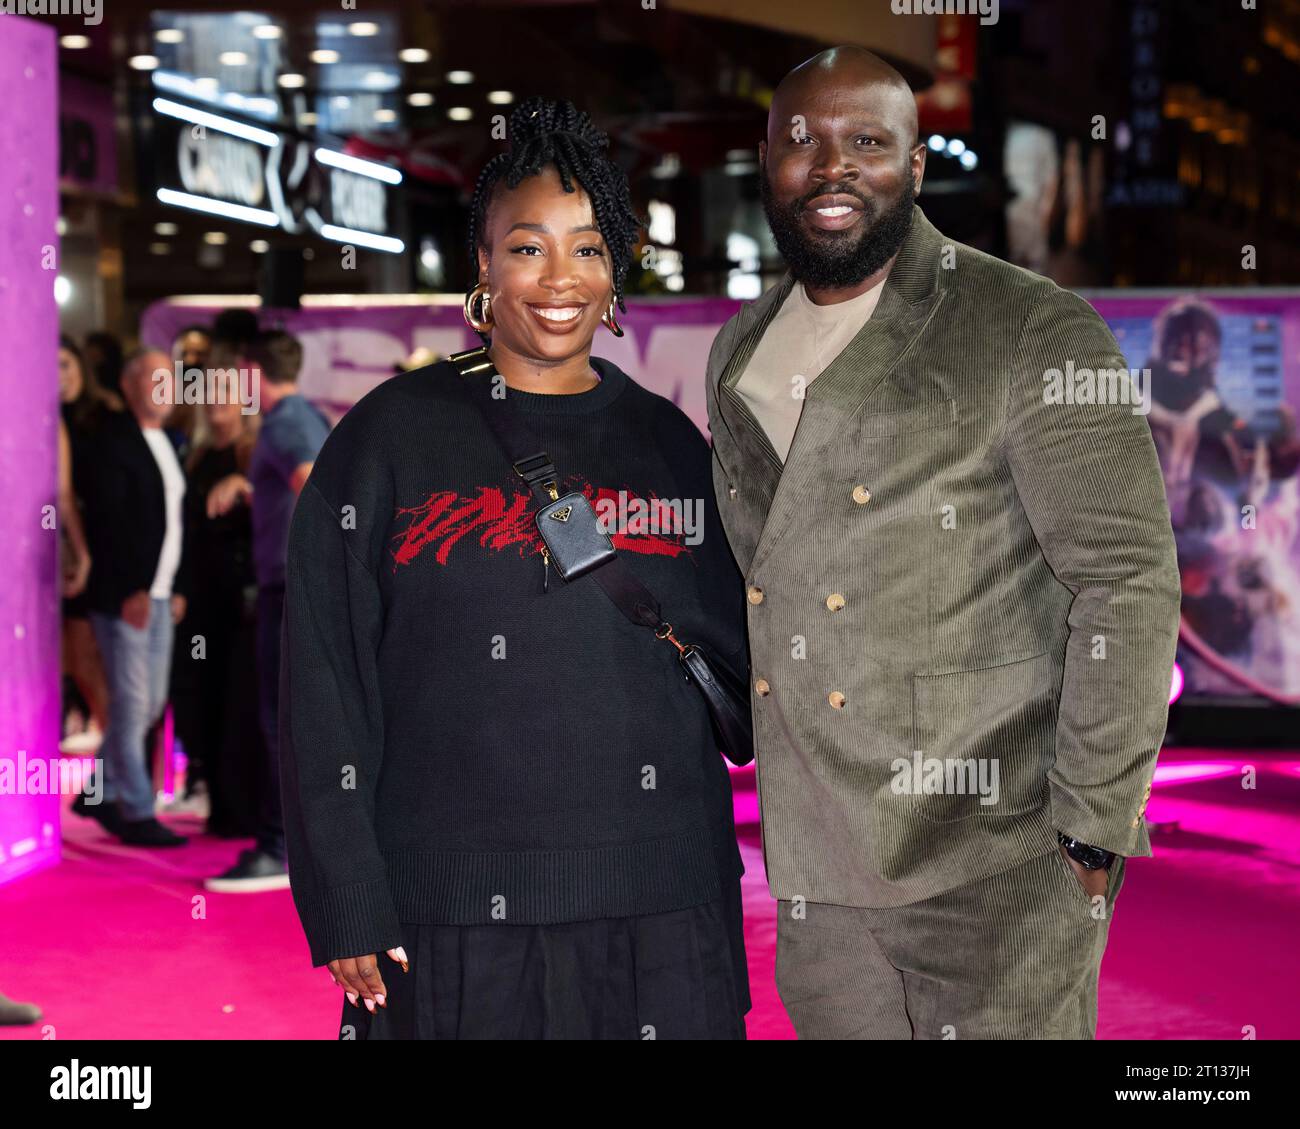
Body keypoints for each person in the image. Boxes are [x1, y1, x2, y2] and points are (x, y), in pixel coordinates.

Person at [704, 46, 1182, 1039]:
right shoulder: (740, 348)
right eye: (802, 141)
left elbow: (1124, 577)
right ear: (766, 159)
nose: (830, 168)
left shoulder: (1025, 325)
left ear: (915, 167)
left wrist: (1094, 822)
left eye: (867, 143)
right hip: (816, 873)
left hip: (995, 862)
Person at [280, 97, 750, 1039]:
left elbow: (744, 654)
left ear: (617, 270)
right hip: (450, 917)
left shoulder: (671, 444)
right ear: (483, 266)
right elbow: (322, 677)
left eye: (588, 247)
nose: (559, 277)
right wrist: (344, 896)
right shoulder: (386, 439)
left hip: (660, 908)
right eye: (528, 247)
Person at [205, 330, 327, 891]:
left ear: (252, 371)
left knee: (282, 724)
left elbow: (317, 489)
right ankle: (290, 844)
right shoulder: (303, 418)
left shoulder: (284, 424)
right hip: (294, 588)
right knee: (291, 722)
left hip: (289, 591)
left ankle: (280, 848)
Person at [71, 348, 192, 847]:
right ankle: (137, 810)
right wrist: (131, 589)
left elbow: (176, 524)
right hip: (129, 595)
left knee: (147, 704)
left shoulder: (171, 441)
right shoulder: (111, 444)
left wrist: (174, 587)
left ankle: (99, 790)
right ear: (128, 386)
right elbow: (108, 524)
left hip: (162, 594)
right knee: (133, 701)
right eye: (153, 378)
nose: (163, 388)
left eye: (169, 379)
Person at [166, 351, 262, 833]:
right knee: (199, 694)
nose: (216, 402)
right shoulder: (196, 453)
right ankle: (217, 800)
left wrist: (245, 485)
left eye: (226, 392)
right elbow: (181, 528)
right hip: (200, 594)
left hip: (241, 597)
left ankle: (244, 810)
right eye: (209, 394)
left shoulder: (253, 449)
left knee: (238, 698)